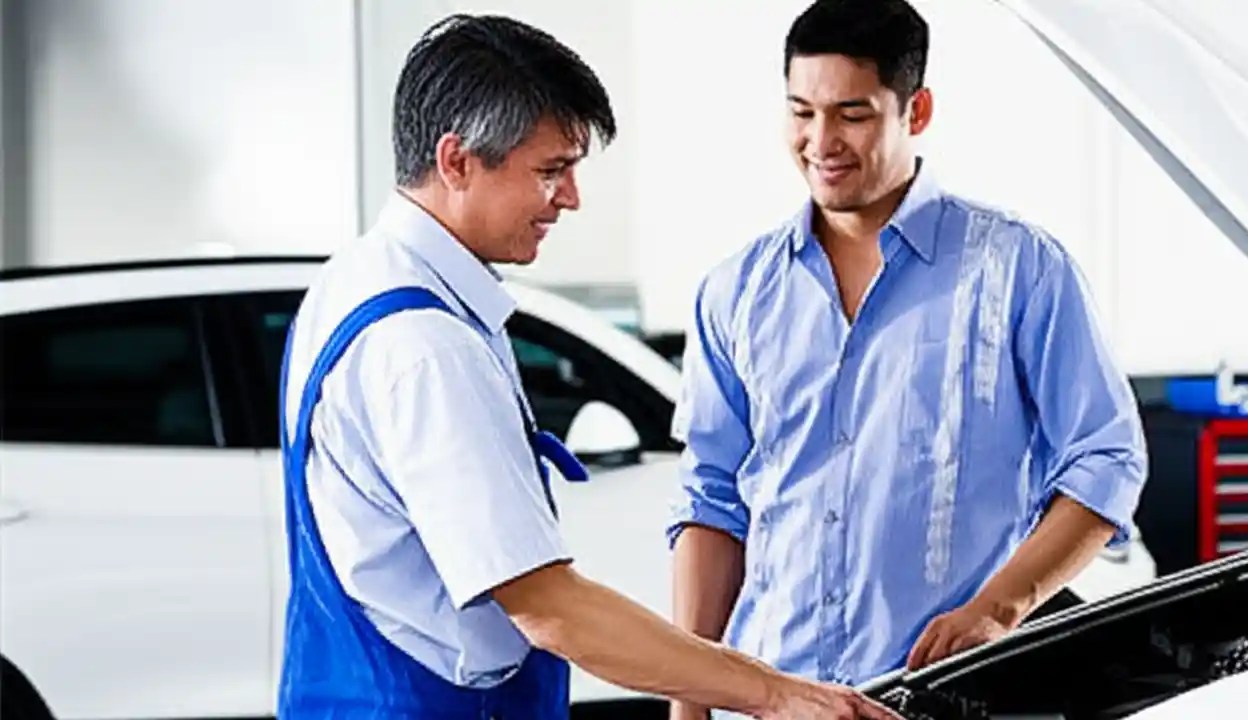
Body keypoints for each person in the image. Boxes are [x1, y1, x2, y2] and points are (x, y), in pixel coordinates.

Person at [276, 12, 900, 720]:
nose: (571, 197)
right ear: (456, 161)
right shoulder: (426, 347)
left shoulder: (352, 280)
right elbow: (551, 609)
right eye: (551, 171)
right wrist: (778, 695)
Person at [667, 0, 1149, 717]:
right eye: (801, 112)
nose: (820, 140)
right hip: (773, 697)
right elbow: (712, 500)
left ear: (915, 111)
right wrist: (691, 698)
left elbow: (1107, 459)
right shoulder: (735, 291)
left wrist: (999, 608)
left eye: (852, 115)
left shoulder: (1018, 269)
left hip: (945, 698)